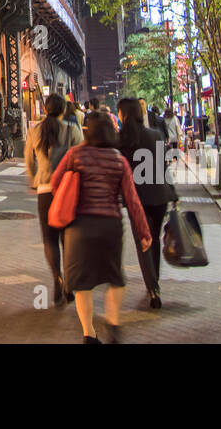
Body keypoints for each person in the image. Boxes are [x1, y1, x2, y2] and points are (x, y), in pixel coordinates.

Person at [49, 114, 151, 343]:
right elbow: (132, 201)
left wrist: (70, 195)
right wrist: (144, 232)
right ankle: (113, 323)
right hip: (110, 226)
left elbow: (55, 182)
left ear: (88, 131)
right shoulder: (119, 160)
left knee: (82, 284)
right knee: (115, 278)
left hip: (79, 227)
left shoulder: (75, 155)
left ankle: (89, 333)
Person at [25, 94, 84, 304]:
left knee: (49, 239)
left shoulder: (35, 130)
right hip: (67, 191)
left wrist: (34, 179)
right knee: (68, 239)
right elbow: (81, 157)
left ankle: (56, 277)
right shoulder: (72, 130)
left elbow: (29, 159)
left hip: (45, 190)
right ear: (63, 110)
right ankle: (69, 282)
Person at [119, 97, 175, 309]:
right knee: (155, 240)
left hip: (137, 199)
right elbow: (163, 166)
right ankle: (155, 281)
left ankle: (153, 288)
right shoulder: (156, 135)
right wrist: (172, 191)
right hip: (159, 195)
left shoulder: (122, 139)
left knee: (143, 240)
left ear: (124, 115)